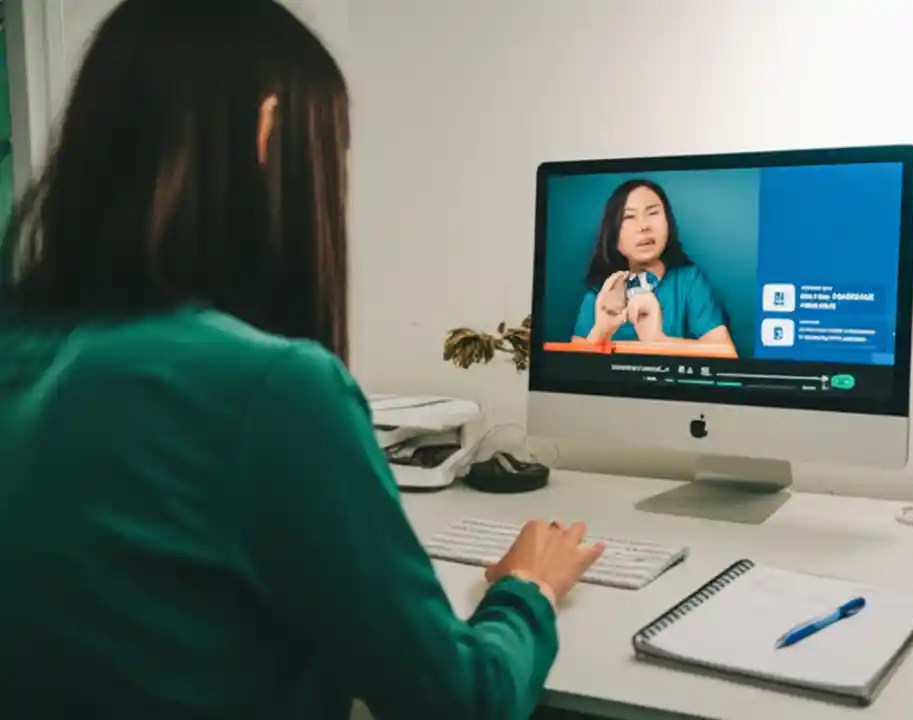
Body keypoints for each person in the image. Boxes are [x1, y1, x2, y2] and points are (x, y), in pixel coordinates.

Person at [0, 2, 602, 718]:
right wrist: (529, 588)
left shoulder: (26, 351)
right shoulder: (268, 387)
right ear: (267, 130)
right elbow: (462, 704)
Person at [571, 179, 737, 355]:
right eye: (629, 217)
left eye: (653, 213)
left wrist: (657, 340)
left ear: (668, 223)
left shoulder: (688, 281)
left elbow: (727, 353)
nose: (644, 226)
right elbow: (571, 369)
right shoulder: (600, 293)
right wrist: (601, 331)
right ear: (613, 236)